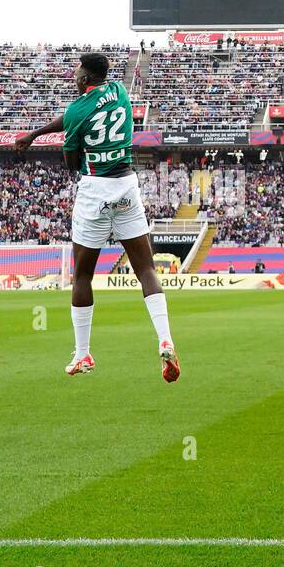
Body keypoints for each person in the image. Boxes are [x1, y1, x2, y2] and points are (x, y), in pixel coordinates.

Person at [15, 53, 179, 382]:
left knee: (82, 276)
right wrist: (35, 133)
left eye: (77, 71)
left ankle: (82, 353)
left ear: (83, 78)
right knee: (145, 269)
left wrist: (58, 143)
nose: (74, 74)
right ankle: (165, 338)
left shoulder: (78, 109)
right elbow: (73, 115)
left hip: (95, 191)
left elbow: (72, 162)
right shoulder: (118, 91)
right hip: (127, 185)